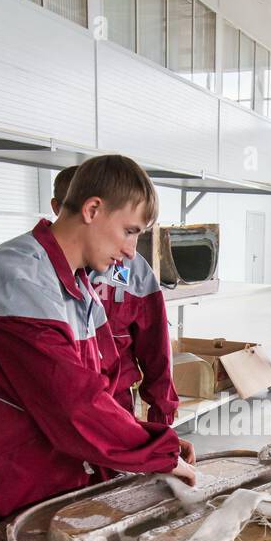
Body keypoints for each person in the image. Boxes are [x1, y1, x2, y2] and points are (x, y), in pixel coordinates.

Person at [0, 155, 196, 541]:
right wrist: (155, 454)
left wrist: (149, 438)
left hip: (44, 478)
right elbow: (73, 403)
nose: (132, 251)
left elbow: (101, 386)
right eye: (130, 231)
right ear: (92, 210)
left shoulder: (74, 282)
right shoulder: (20, 279)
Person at [53, 166, 178, 425]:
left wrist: (160, 424)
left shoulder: (135, 273)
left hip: (116, 411)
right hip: (63, 416)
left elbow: (157, 352)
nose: (129, 251)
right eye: (128, 231)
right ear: (58, 209)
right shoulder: (37, 277)